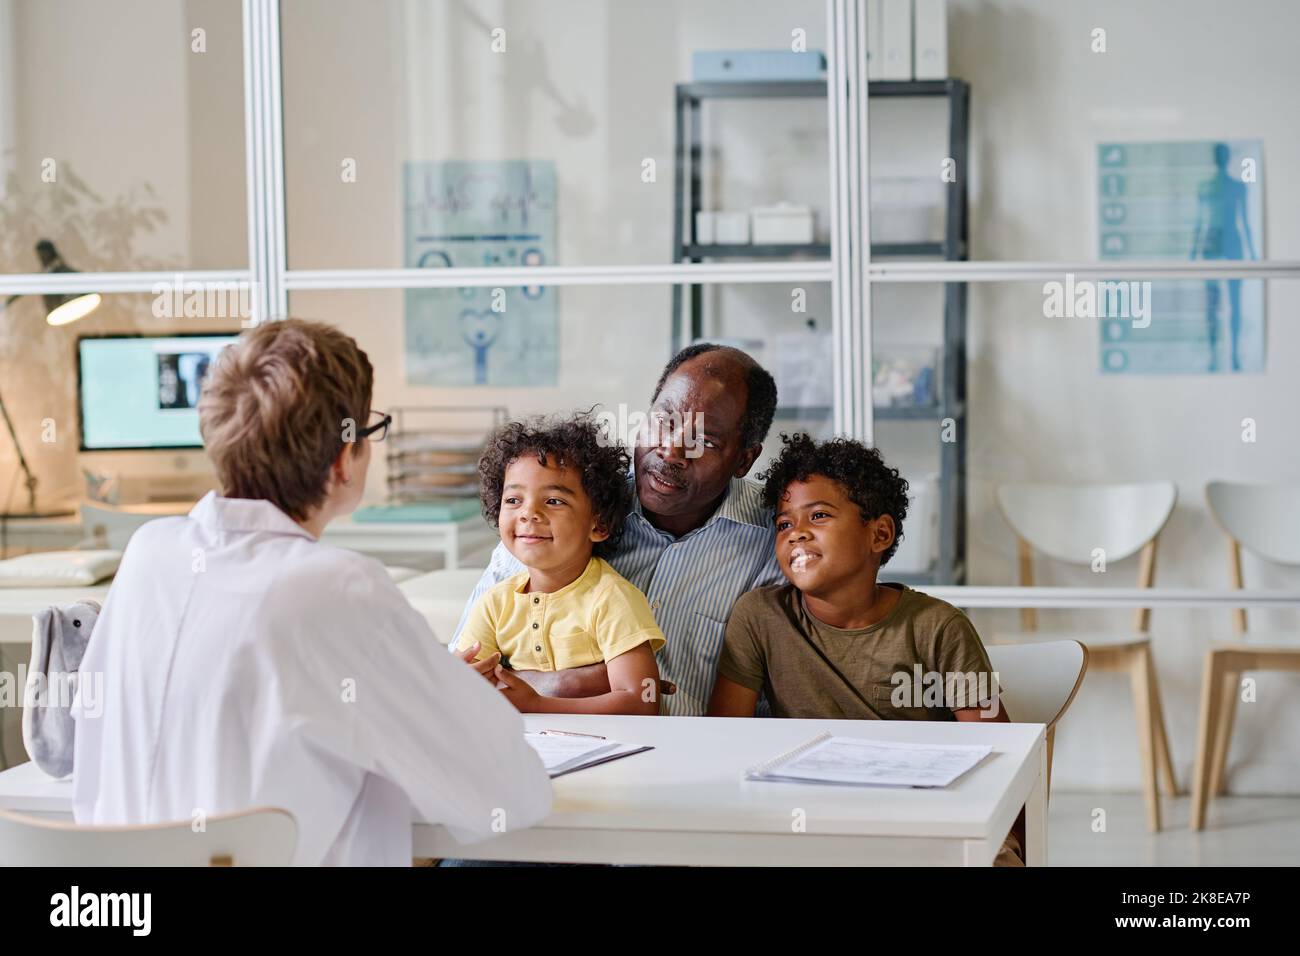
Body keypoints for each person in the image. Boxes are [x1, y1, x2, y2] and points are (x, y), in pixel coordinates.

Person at [72, 319, 552, 866]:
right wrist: (442, 696)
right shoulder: (339, 588)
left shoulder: (148, 554)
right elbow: (512, 793)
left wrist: (423, 690)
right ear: (343, 460)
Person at [706, 433, 1023, 865]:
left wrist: (1010, 848)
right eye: (784, 524)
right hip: (810, 824)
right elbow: (723, 742)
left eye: (818, 515)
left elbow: (1007, 759)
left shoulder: (939, 627)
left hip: (926, 821)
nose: (796, 533)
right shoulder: (760, 616)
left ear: (879, 534)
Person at [453, 343, 784, 715]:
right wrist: (566, 683)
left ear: (744, 459)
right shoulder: (560, 510)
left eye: (705, 441)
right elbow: (458, 678)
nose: (672, 450)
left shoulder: (778, 537)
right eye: (664, 420)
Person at [455, 415, 665, 714]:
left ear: (599, 524)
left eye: (553, 501)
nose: (529, 513)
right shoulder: (495, 604)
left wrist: (539, 704)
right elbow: (466, 688)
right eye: (514, 500)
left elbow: (643, 702)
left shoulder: (612, 598)